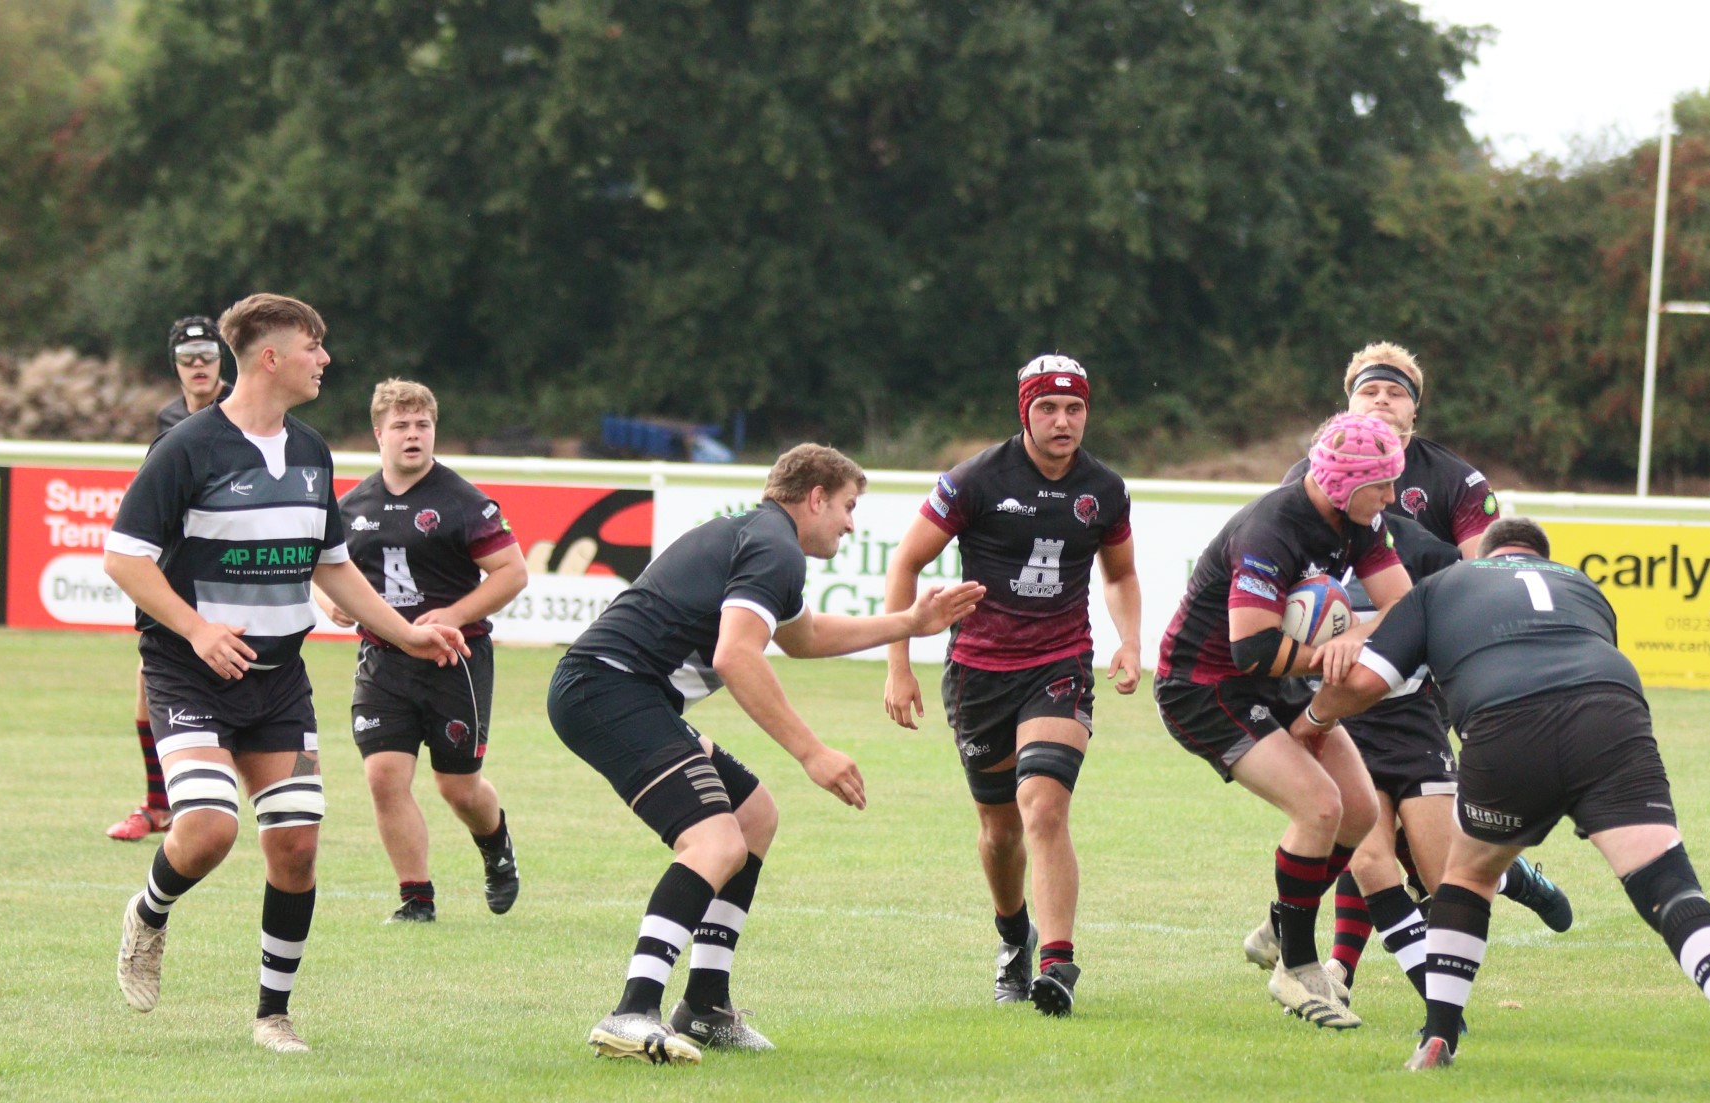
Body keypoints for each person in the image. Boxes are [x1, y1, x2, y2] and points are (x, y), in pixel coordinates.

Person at [1311, 518, 1710, 1098]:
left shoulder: (1443, 584)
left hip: (1506, 719)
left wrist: (1311, 719)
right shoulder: (1581, 584)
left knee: (1467, 877)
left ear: (1486, 554)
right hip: (1610, 711)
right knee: (1668, 882)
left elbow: (1366, 684)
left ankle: (1439, 1035)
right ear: (1540, 556)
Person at [104, 294, 467, 1053]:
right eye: (313, 347)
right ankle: (148, 913)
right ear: (271, 358)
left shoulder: (310, 450)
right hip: (189, 674)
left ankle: (273, 1014)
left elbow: (331, 566)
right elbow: (124, 558)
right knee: (208, 830)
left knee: (297, 846)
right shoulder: (186, 447)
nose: (325, 359)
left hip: (277, 681)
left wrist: (407, 634)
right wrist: (198, 629)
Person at [550, 444, 984, 1064]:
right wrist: (812, 753)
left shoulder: (762, 538)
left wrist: (909, 623)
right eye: (847, 507)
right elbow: (735, 656)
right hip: (607, 689)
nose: (850, 525)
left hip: (616, 690)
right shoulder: (775, 547)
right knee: (715, 843)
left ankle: (704, 1007)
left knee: (753, 815)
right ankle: (632, 1010)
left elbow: (804, 638)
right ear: (816, 498)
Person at [1278, 346, 1569, 999]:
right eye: (1368, 391)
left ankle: (1507, 875)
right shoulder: (1310, 473)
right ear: (1346, 402)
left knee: (1426, 858)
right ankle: (1340, 969)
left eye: (1396, 393)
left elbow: (1482, 572)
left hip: (1418, 681)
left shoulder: (1457, 482)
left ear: (1416, 409)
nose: (1381, 401)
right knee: (1366, 826)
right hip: (1336, 674)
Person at [882, 353, 1139, 1016]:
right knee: (1000, 832)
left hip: (1059, 664)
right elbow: (906, 563)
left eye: (1074, 408)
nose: (1062, 421)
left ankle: (1057, 964)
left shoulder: (1104, 490)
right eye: (1047, 407)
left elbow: (1118, 575)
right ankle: (1011, 937)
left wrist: (1130, 639)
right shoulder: (974, 480)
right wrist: (898, 665)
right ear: (1024, 412)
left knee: (1043, 807)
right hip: (979, 675)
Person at [1153, 411, 1409, 1029]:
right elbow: (1251, 648)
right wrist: (1330, 655)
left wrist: (1352, 639)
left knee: (1360, 810)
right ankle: (1295, 967)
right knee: (1320, 807)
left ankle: (1276, 926)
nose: (1391, 497)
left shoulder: (1358, 521)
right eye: (1381, 485)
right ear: (1345, 484)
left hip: (1277, 677)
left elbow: (1406, 604)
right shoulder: (1269, 530)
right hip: (1203, 686)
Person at [317, 379, 529, 923]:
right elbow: (319, 567)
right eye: (401, 426)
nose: (413, 435)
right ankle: (416, 898)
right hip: (383, 661)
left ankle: (496, 846)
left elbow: (512, 573)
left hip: (455, 662)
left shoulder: (463, 502)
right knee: (384, 777)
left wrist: (454, 614)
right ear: (378, 434)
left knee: (458, 788)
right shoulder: (351, 506)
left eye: (422, 425)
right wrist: (329, 600)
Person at [109, 315, 234, 841]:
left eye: (207, 355)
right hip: (180, 571)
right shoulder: (169, 418)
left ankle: (273, 799)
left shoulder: (243, 410)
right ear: (175, 364)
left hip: (234, 571)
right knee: (148, 681)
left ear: (223, 359)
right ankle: (159, 805)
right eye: (187, 358)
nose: (198, 365)